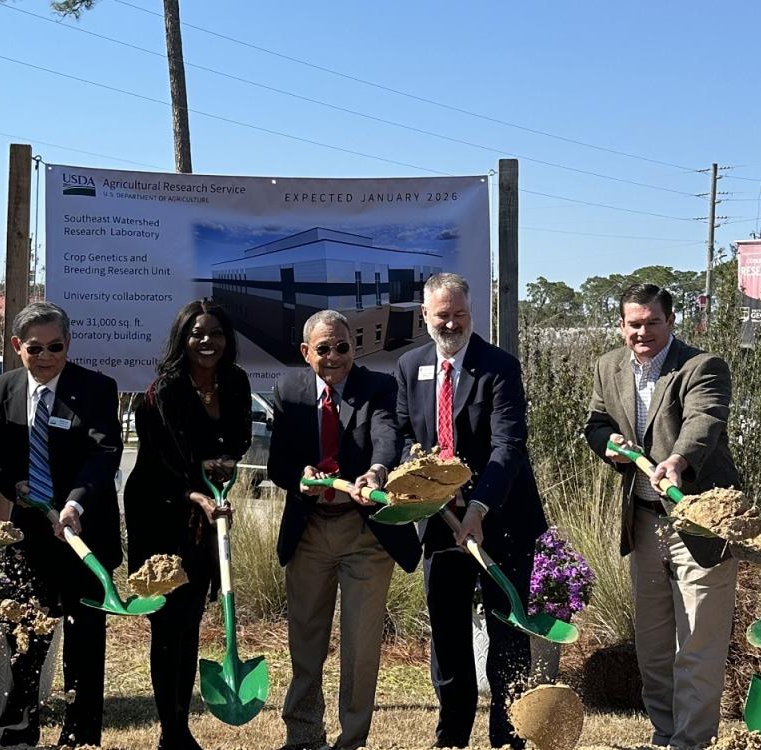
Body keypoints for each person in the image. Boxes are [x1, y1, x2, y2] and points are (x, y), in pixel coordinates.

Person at [581, 282, 740, 749]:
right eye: (635, 323)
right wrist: (608, 446)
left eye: (653, 322)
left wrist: (678, 461)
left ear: (671, 322)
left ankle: (691, 742)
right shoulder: (608, 367)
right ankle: (665, 733)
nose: (643, 331)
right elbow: (596, 422)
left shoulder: (700, 366)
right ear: (621, 325)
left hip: (700, 522)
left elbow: (703, 422)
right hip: (644, 521)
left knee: (696, 644)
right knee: (652, 646)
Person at [393, 272, 547, 749]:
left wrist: (479, 506)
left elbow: (508, 446)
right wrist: (418, 484)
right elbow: (402, 436)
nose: (453, 324)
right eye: (443, 316)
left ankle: (509, 736)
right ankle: (452, 736)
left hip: (501, 520)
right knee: (448, 636)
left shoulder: (498, 366)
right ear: (425, 316)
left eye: (460, 314)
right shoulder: (409, 365)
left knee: (506, 634)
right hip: (440, 523)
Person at [268, 310, 421, 750]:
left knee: (360, 645)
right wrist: (298, 477)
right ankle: (302, 735)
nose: (334, 357)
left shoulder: (378, 386)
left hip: (365, 535)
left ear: (353, 348)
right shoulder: (290, 391)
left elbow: (387, 437)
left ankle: (351, 739)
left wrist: (375, 472)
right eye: (323, 349)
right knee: (306, 640)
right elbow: (279, 463)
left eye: (342, 347)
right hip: (310, 531)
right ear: (305, 352)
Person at [0, 301, 123, 747]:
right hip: (30, 537)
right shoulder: (2, 389)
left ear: (68, 344)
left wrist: (75, 505)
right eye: (35, 348)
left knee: (84, 639)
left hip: (83, 531)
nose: (45, 357)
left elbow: (104, 453)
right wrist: (13, 482)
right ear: (17, 346)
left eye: (55, 347)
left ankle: (80, 735)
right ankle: (18, 730)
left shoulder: (96, 388)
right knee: (25, 633)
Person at [125, 299, 252, 750]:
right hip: (160, 511)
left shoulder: (235, 382)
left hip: (204, 514)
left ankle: (179, 726)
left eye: (215, 333)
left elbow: (239, 437)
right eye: (197, 334)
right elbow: (162, 464)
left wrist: (225, 464)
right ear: (183, 338)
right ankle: (172, 731)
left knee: (192, 618)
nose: (206, 341)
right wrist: (197, 492)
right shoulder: (163, 393)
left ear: (227, 340)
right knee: (168, 620)